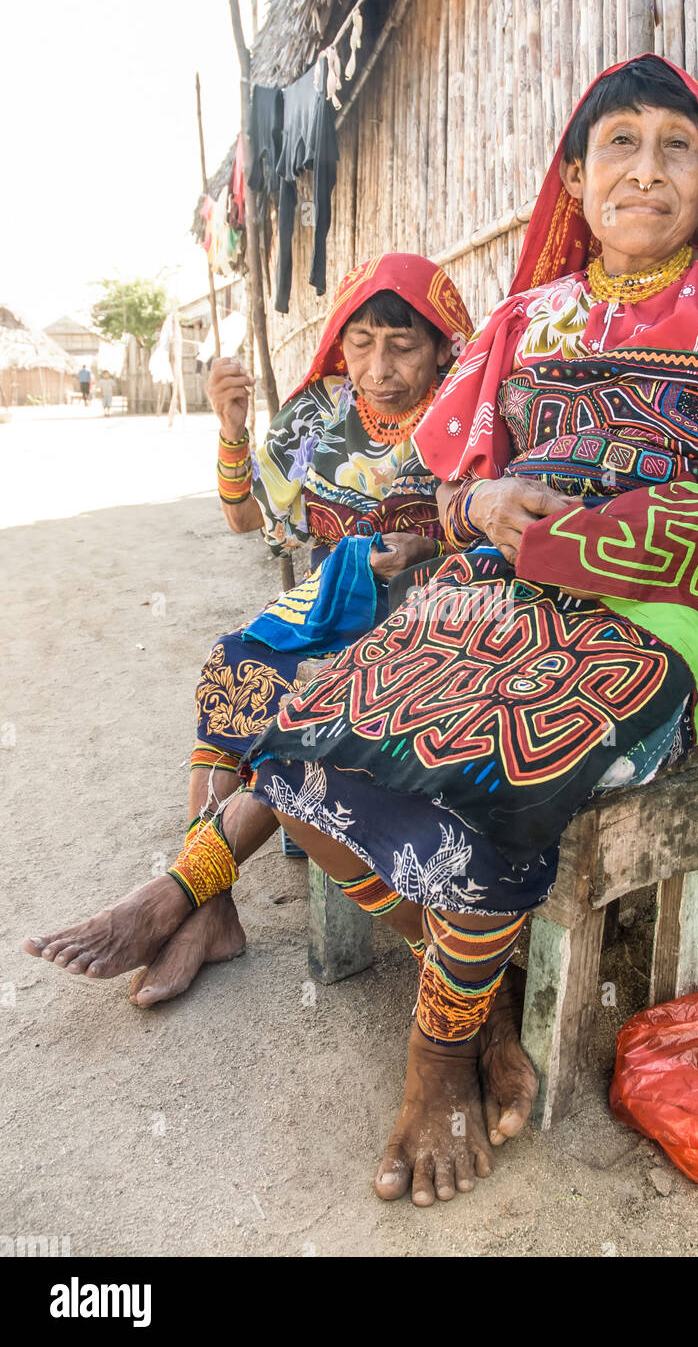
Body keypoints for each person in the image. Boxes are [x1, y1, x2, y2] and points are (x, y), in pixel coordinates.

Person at [23, 57, 698, 1209]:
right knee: (306, 726)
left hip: (680, 598)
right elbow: (418, 495)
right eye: (617, 145)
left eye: (673, 147)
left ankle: (435, 1054)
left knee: (512, 757)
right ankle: (436, 1000)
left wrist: (628, 527)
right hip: (504, 581)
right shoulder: (530, 318)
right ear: (574, 181)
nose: (645, 169)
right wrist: (482, 503)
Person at [22, 252, 471, 1006]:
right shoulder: (322, 410)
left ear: (441, 344)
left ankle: (184, 897)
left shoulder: (466, 407)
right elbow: (245, 515)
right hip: (332, 599)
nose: (380, 365)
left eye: (403, 345)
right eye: (361, 342)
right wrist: (232, 429)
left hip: (431, 617)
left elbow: (492, 530)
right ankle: (208, 903)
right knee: (234, 661)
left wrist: (432, 543)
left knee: (323, 699)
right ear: (340, 343)